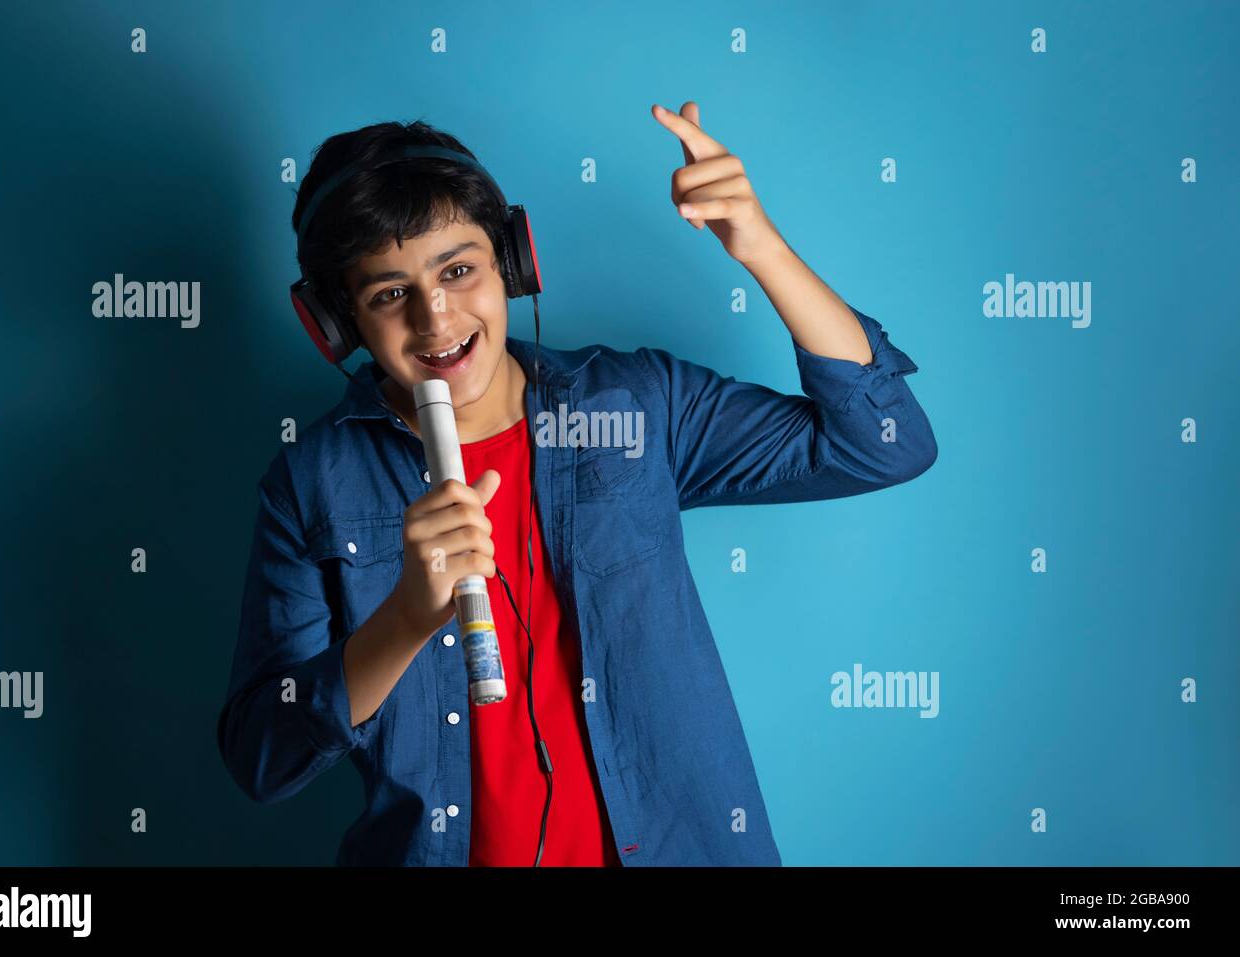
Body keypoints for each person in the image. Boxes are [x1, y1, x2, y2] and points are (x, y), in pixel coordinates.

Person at [216, 104, 938, 866]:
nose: (435, 317)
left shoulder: (635, 403)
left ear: (513, 262)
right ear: (338, 323)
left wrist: (760, 248)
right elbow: (262, 758)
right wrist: (402, 620)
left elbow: (885, 444)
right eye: (390, 294)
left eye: (458, 269)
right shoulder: (310, 483)